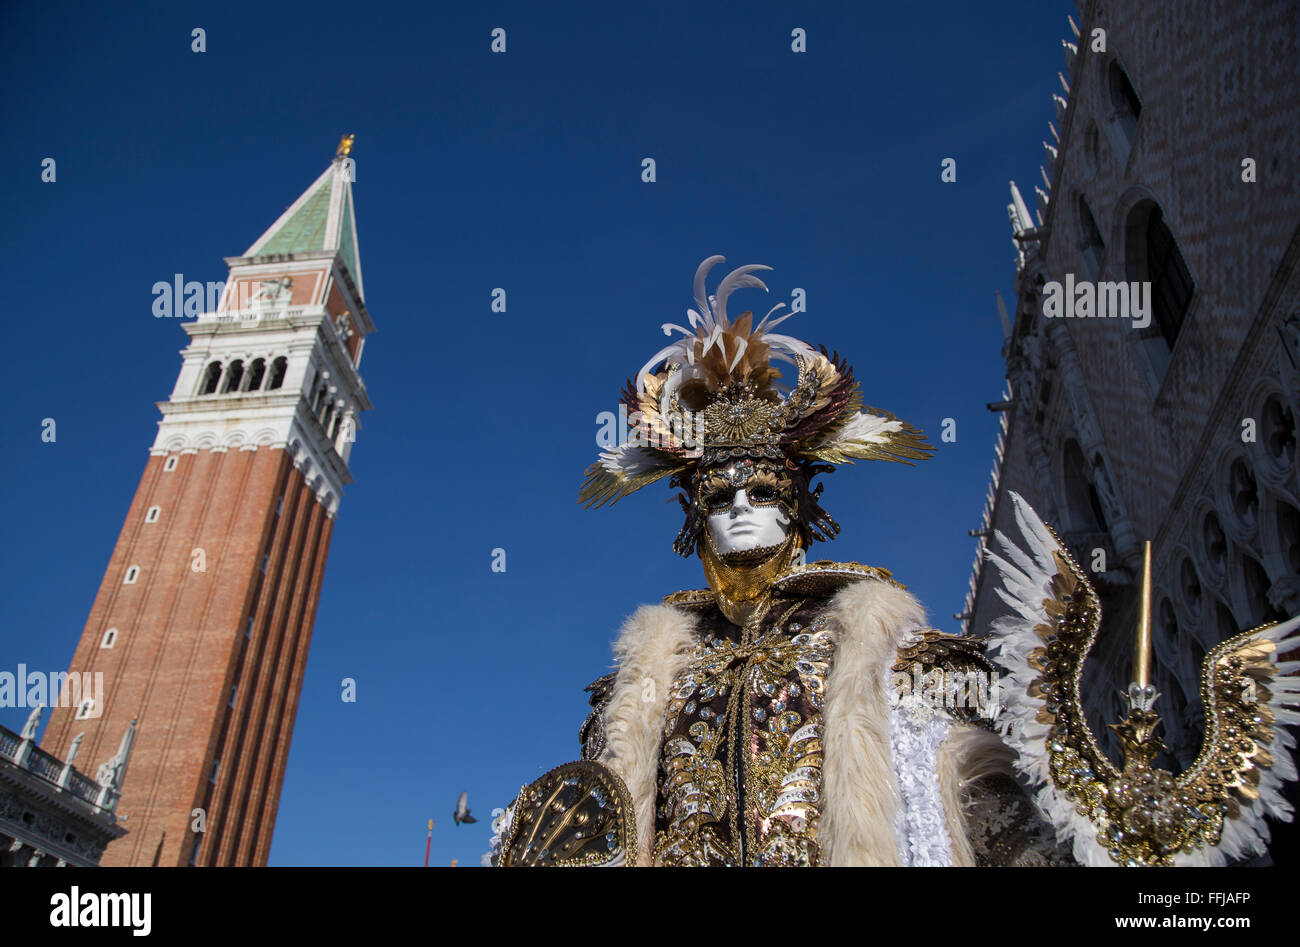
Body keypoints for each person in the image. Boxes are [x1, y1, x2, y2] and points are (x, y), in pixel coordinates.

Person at [487, 256, 1300, 867]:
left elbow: (979, 798)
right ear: (691, 517)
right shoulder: (639, 681)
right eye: (718, 496)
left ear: (801, 505)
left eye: (761, 490)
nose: (737, 508)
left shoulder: (881, 646)